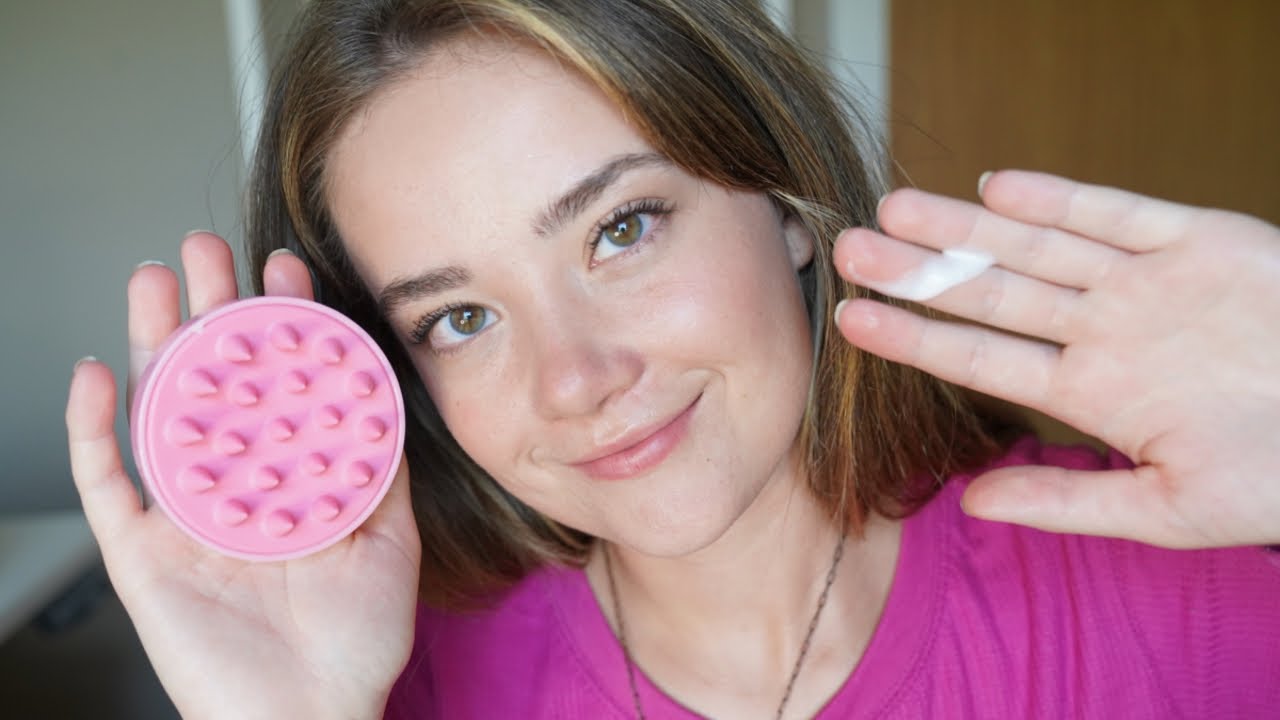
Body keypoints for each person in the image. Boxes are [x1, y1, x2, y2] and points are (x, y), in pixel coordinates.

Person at [65, 1, 1280, 718]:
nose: (576, 379)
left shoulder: (1174, 595)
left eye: (621, 228)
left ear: (785, 202)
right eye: (457, 319)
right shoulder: (407, 683)